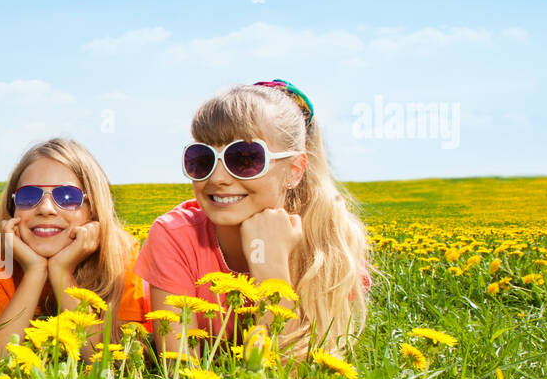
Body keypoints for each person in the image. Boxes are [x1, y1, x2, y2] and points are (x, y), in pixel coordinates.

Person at [135, 80, 370, 356]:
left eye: (245, 159)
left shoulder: (327, 243)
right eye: (202, 158)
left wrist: (270, 270)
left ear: (294, 170)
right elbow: (180, 372)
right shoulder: (175, 235)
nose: (218, 178)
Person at [0, 138, 149, 359]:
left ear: (93, 208)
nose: (46, 209)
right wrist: (35, 271)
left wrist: (61, 272)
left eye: (67, 197)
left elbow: (113, 364)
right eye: (29, 197)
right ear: (12, 208)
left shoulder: (120, 253)